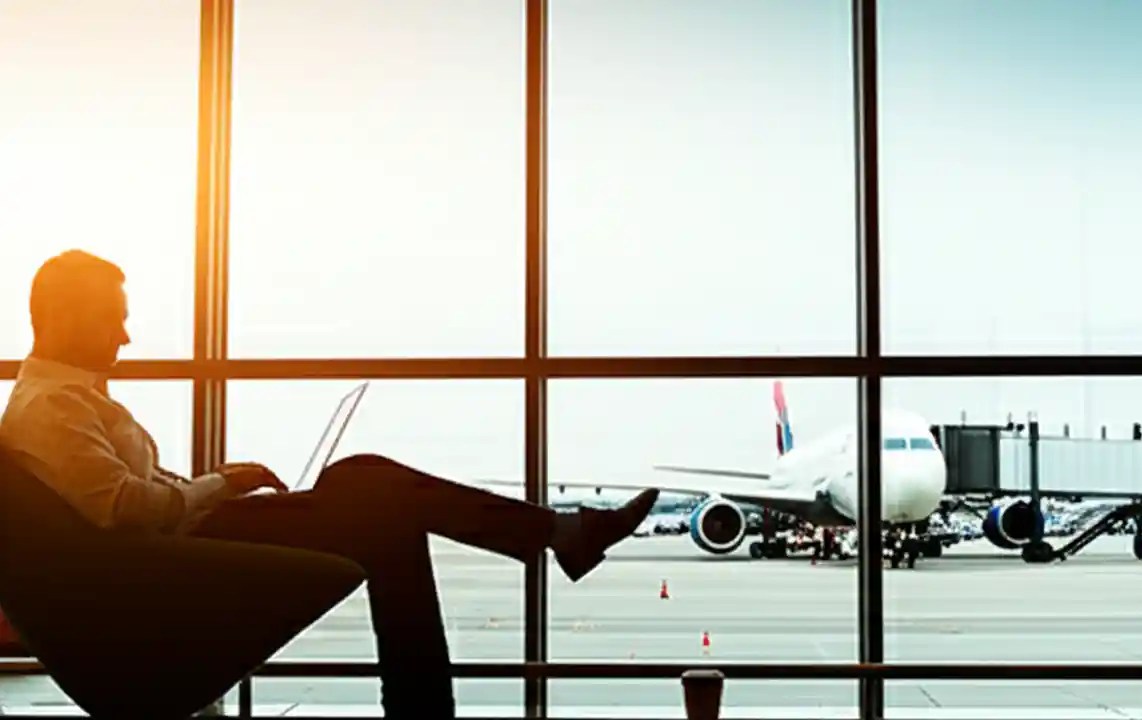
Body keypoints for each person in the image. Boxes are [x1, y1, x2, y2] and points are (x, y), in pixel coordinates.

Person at [0, 250, 659, 718]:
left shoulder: (64, 403)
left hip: (179, 549)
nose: (126, 333)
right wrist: (219, 486)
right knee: (376, 499)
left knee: (367, 489)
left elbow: (124, 494)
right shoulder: (53, 409)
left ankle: (549, 543)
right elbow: (124, 511)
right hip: (174, 561)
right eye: (112, 317)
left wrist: (218, 485)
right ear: (63, 316)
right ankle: (557, 536)